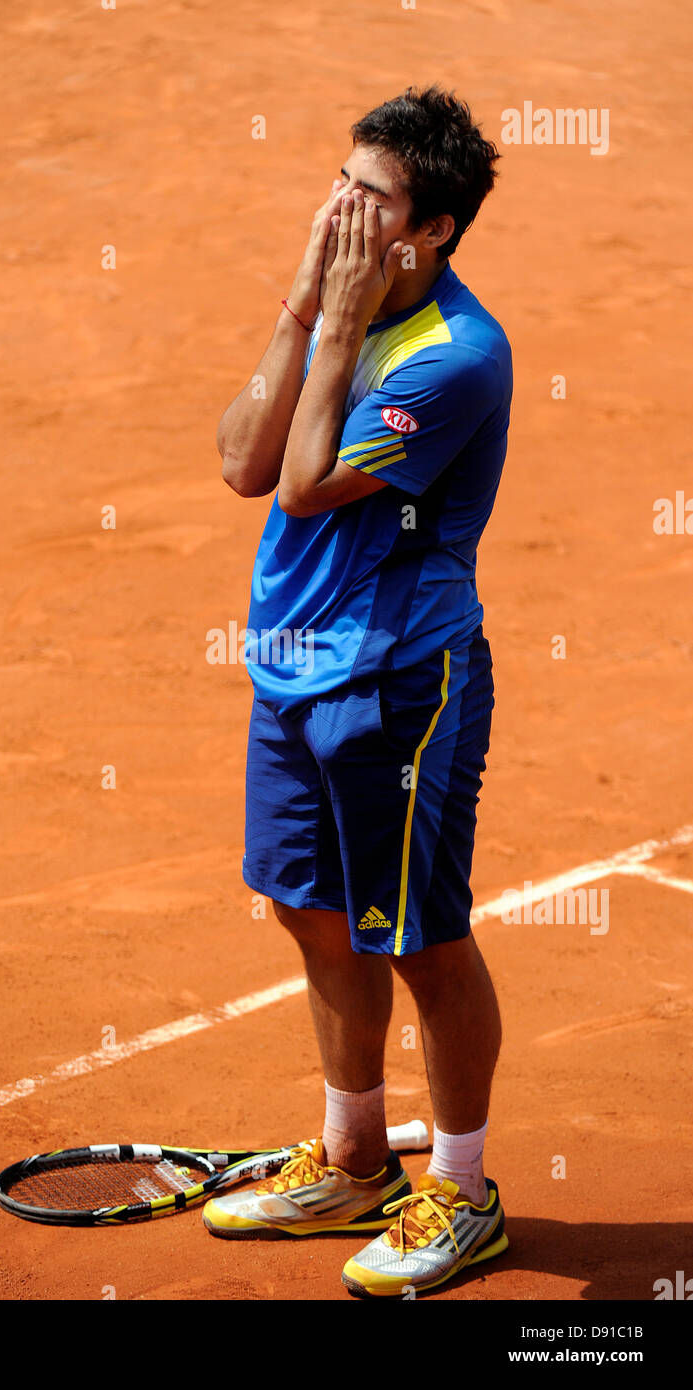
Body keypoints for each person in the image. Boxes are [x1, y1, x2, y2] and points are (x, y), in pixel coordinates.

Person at [205, 86, 512, 1298]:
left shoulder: (456, 358)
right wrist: (305, 302)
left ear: (428, 228)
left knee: (422, 941)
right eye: (339, 180)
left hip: (396, 682)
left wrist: (331, 326)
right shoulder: (343, 301)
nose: (338, 206)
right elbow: (239, 458)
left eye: (367, 195)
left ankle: (465, 1187)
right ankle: (350, 1159)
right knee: (307, 909)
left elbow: (304, 483)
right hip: (288, 663)